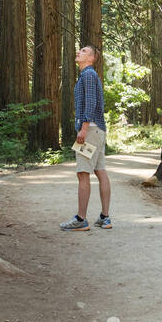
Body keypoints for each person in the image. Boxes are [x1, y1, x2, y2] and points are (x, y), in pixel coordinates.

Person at [60, 45, 111, 231]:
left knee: (83, 174)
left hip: (90, 132)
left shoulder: (88, 75)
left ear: (91, 58)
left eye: (83, 51)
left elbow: (90, 102)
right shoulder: (89, 75)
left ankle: (81, 219)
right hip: (98, 131)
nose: (78, 52)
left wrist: (83, 128)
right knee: (100, 171)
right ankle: (105, 218)